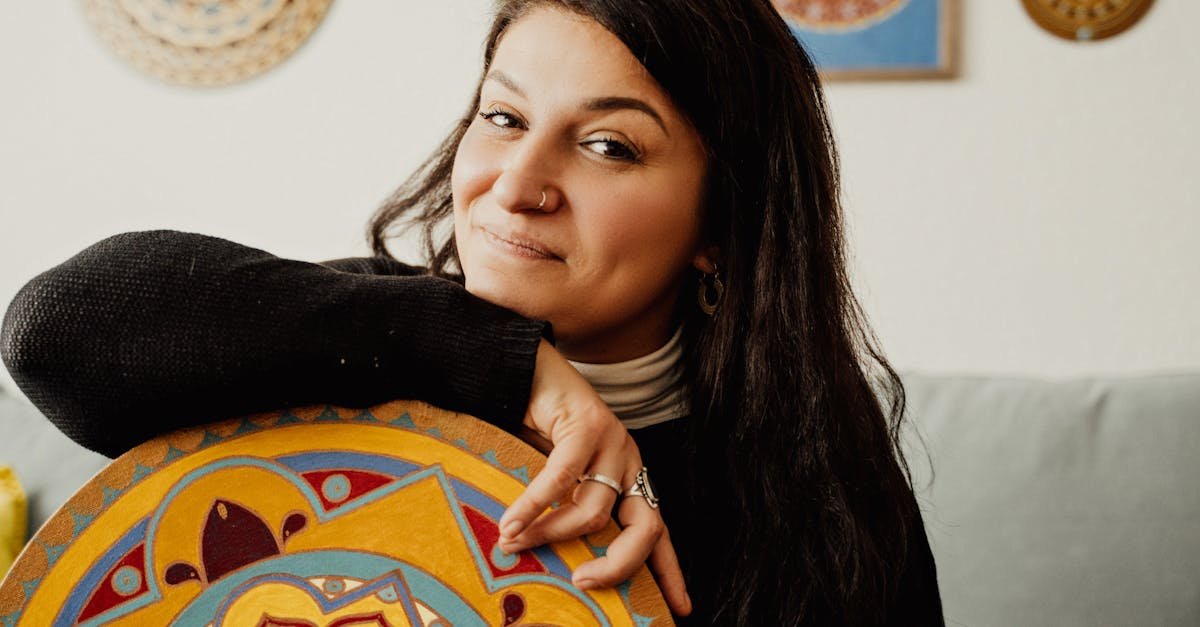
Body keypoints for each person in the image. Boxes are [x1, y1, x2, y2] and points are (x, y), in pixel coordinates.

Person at [0, 0, 943, 624]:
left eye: (609, 145)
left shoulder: (815, 465)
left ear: (722, 223)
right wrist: (516, 364)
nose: (518, 184)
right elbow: (56, 331)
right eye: (502, 118)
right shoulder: (366, 333)